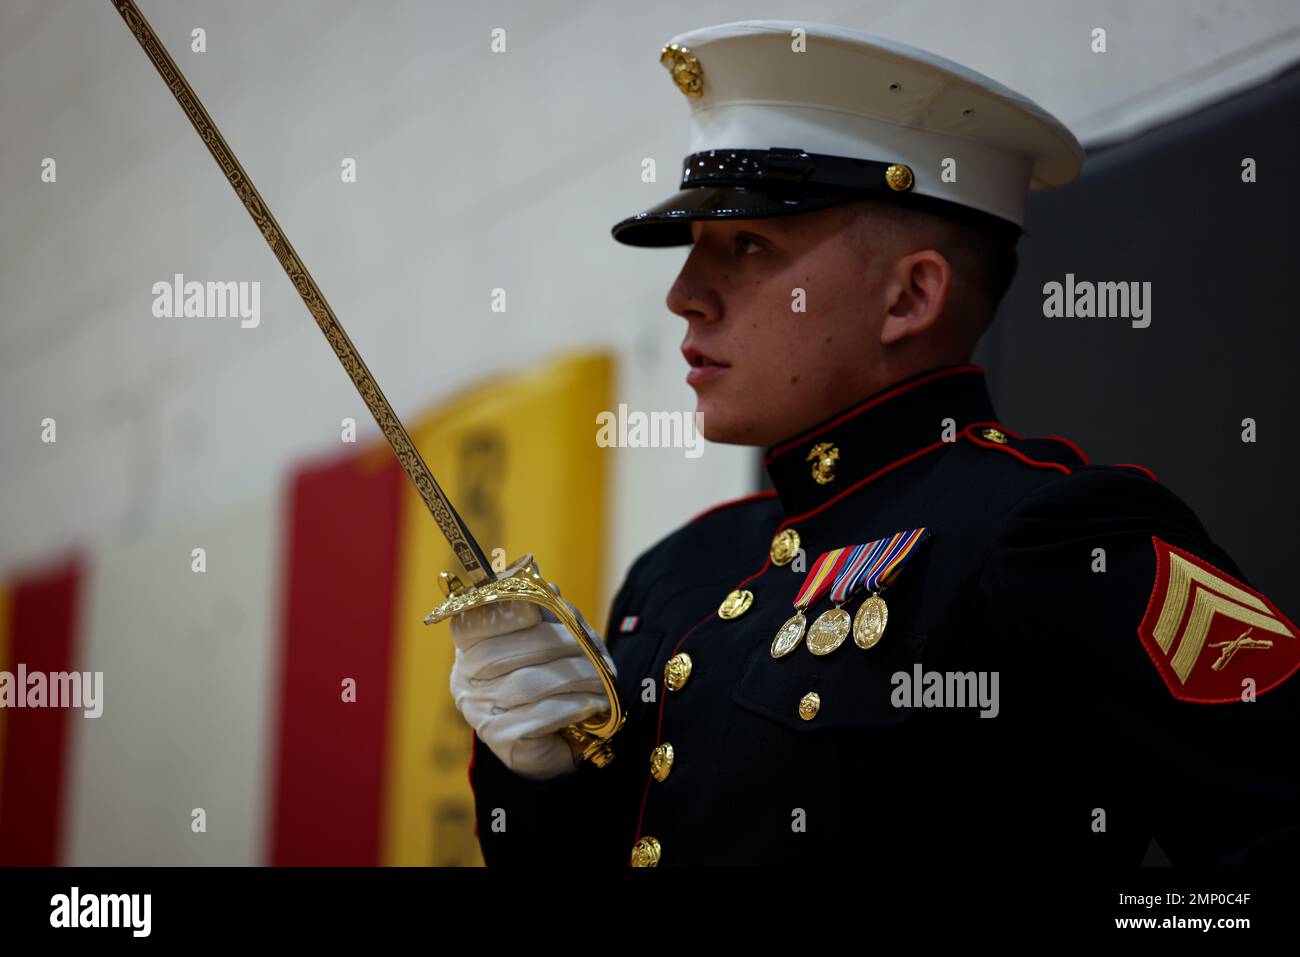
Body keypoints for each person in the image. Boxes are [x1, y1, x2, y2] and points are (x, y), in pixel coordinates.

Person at [448, 20, 1300, 867]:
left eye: (746, 244)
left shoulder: (1052, 536)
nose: (684, 294)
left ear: (910, 297)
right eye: (694, 249)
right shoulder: (678, 574)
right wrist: (540, 778)